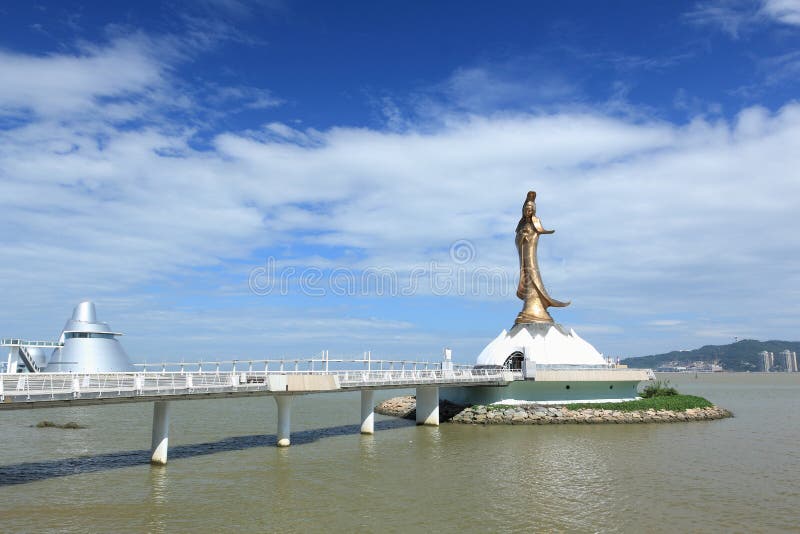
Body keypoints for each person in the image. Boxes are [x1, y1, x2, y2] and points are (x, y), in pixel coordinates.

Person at [515, 191, 569, 324]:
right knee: (527, 275)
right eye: (526, 209)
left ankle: (538, 307)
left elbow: (537, 234)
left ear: (533, 210)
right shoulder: (521, 225)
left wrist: (529, 236)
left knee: (533, 274)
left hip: (530, 254)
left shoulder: (536, 221)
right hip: (524, 254)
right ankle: (529, 307)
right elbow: (517, 239)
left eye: (530, 209)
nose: (528, 211)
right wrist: (522, 237)